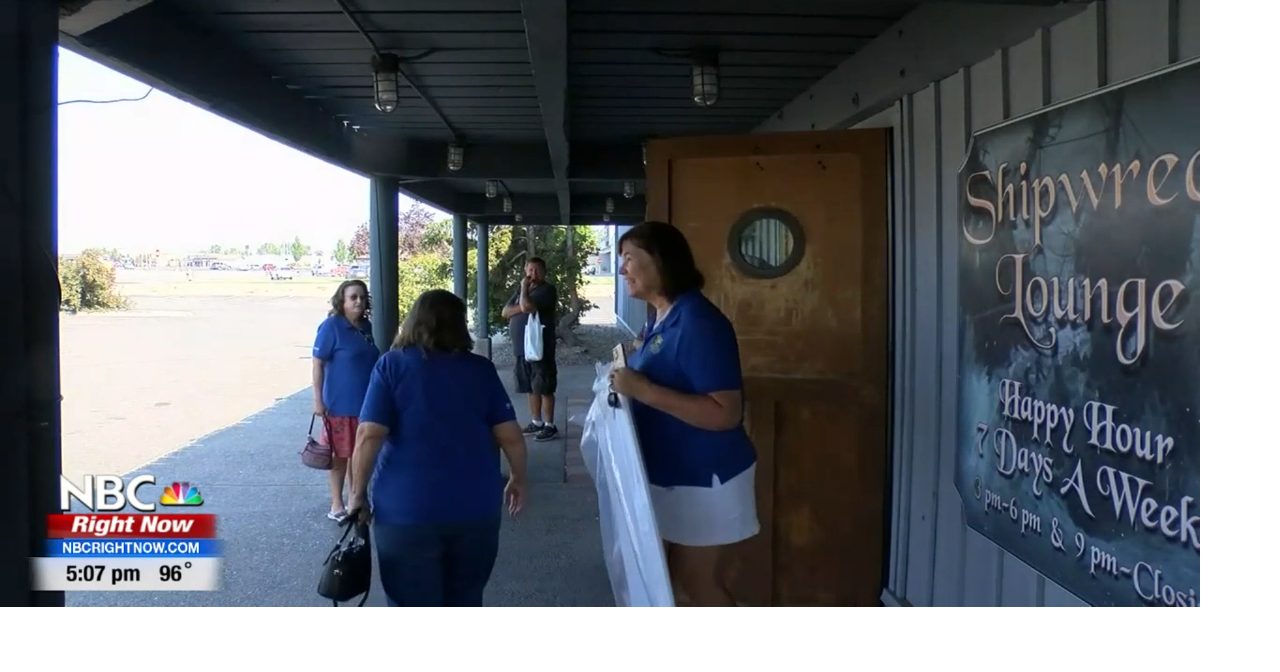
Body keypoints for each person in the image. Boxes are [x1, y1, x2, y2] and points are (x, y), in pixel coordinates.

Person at [608, 221, 760, 608]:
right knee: (670, 586)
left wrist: (643, 389)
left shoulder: (699, 322)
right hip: (671, 474)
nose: (621, 269)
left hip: (705, 477)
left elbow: (725, 413)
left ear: (660, 262)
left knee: (696, 586)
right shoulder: (661, 316)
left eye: (629, 259)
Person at [346, 289, 529, 608]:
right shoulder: (480, 370)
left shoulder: (391, 366)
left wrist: (357, 495)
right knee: (466, 598)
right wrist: (518, 477)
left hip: (406, 512)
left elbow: (368, 435)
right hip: (475, 512)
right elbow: (510, 435)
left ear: (414, 322)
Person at [311, 279, 379, 523]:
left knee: (359, 454)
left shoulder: (367, 326)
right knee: (339, 456)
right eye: (353, 297)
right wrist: (318, 400)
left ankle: (355, 499)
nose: (358, 301)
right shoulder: (331, 327)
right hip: (338, 404)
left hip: (365, 404)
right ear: (342, 300)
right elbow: (318, 363)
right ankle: (337, 504)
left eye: (362, 297)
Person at [501, 256, 560, 442]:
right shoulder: (522, 290)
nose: (533, 274)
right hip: (522, 348)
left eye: (537, 270)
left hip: (540, 347)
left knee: (545, 386)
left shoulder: (547, 290)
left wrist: (524, 292)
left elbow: (527, 307)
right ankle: (537, 421)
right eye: (530, 270)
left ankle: (550, 425)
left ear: (544, 272)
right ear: (525, 271)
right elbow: (505, 312)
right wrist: (523, 300)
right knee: (530, 387)